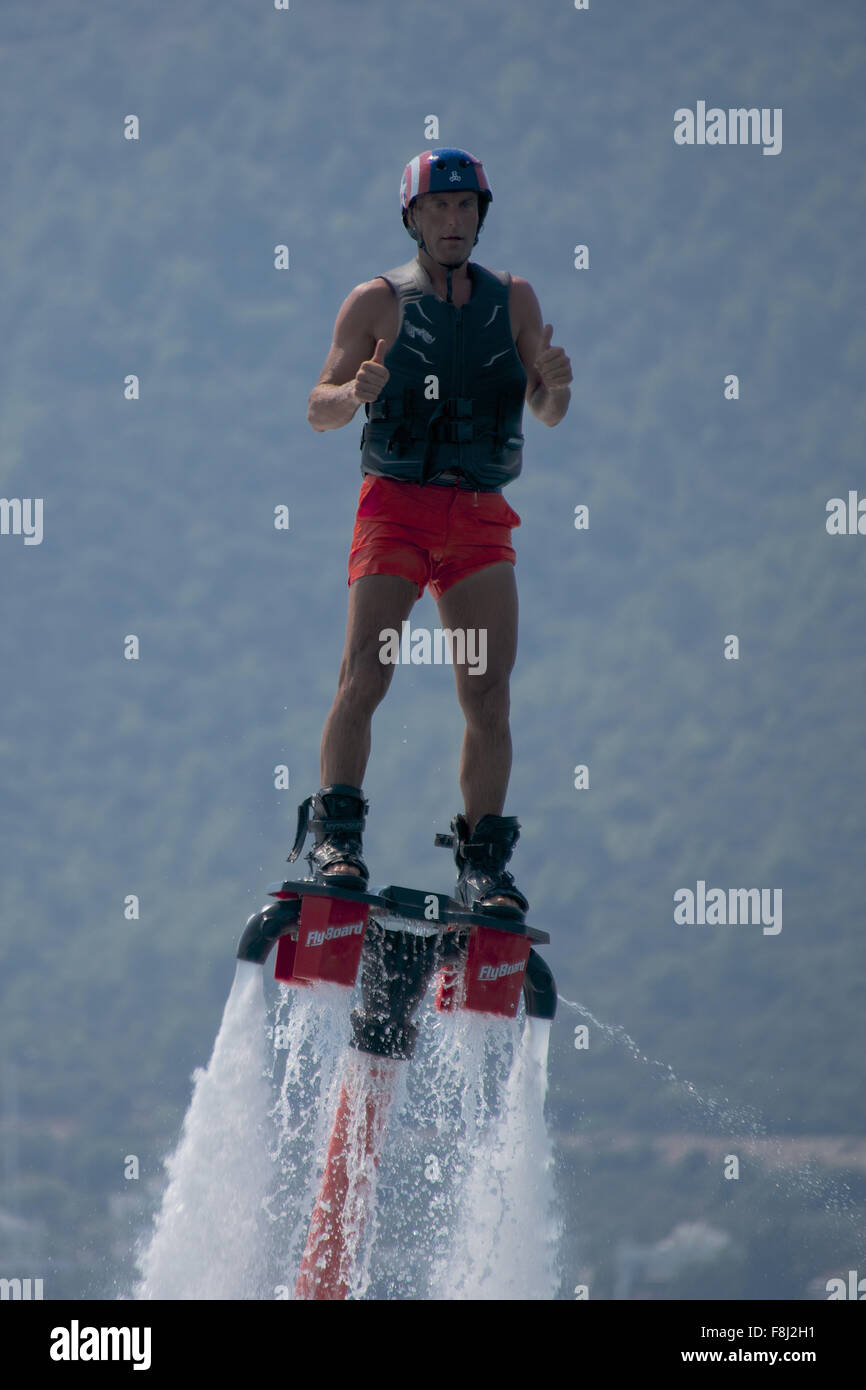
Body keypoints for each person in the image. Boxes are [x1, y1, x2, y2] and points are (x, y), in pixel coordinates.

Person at [288, 148, 572, 917]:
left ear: (481, 216)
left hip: (478, 516)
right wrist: (354, 390)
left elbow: (545, 412)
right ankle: (336, 839)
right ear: (412, 217)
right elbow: (317, 408)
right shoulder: (375, 303)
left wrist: (552, 389)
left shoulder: (513, 300)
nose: (453, 222)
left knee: (487, 693)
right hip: (396, 508)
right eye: (438, 209)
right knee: (366, 675)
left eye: (465, 208)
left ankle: (482, 865)